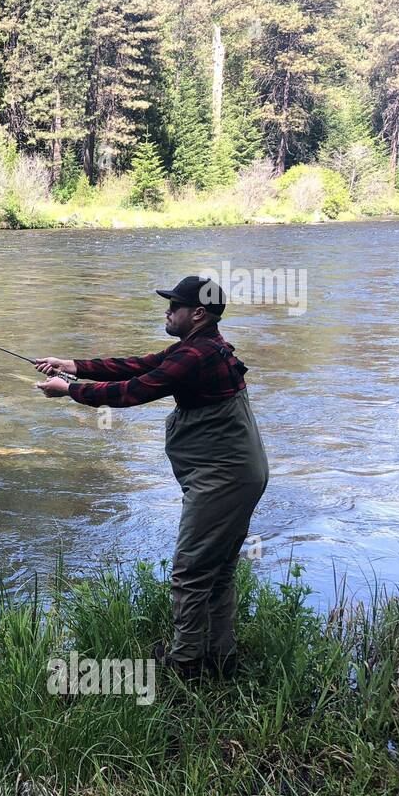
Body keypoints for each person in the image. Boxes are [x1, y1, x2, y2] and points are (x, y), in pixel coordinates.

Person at [33, 275, 270, 679]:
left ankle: (186, 664)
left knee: (191, 569)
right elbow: (139, 365)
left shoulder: (196, 355)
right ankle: (220, 655)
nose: (167, 310)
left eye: (174, 305)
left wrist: (70, 391)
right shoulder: (200, 347)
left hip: (223, 478)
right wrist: (72, 366)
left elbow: (134, 390)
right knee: (218, 568)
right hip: (236, 473)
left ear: (197, 313)